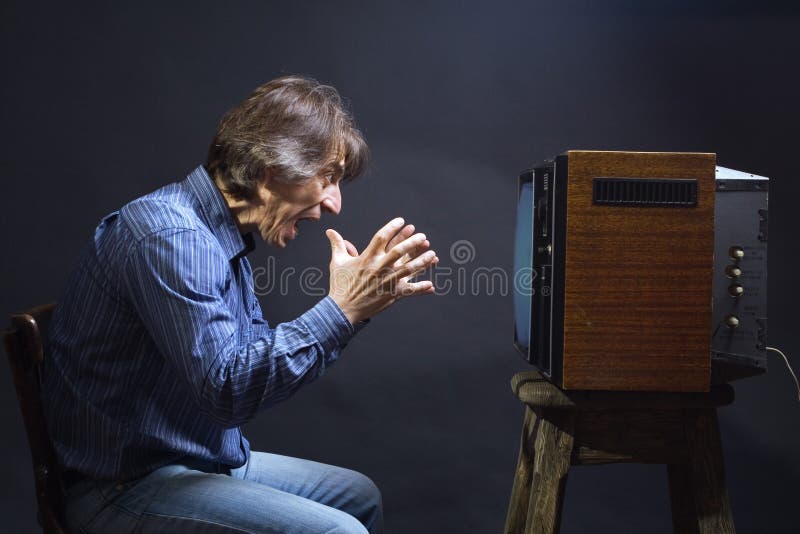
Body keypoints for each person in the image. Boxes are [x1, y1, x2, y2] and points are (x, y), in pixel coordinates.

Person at [41, 75, 438, 533]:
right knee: (339, 532)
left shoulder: (221, 236)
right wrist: (342, 309)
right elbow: (228, 392)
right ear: (274, 168)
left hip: (192, 460)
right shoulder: (172, 237)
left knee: (358, 497)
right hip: (121, 489)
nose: (334, 203)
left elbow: (249, 363)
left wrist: (354, 310)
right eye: (328, 177)